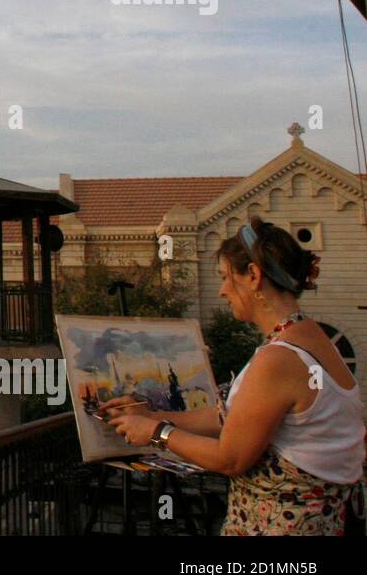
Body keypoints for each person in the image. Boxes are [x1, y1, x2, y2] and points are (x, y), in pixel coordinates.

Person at [102, 216, 365, 535]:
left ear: (253, 275)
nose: (224, 290)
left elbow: (230, 459)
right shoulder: (309, 336)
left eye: (226, 276)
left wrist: (157, 431)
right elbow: (235, 420)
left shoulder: (279, 359)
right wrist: (150, 414)